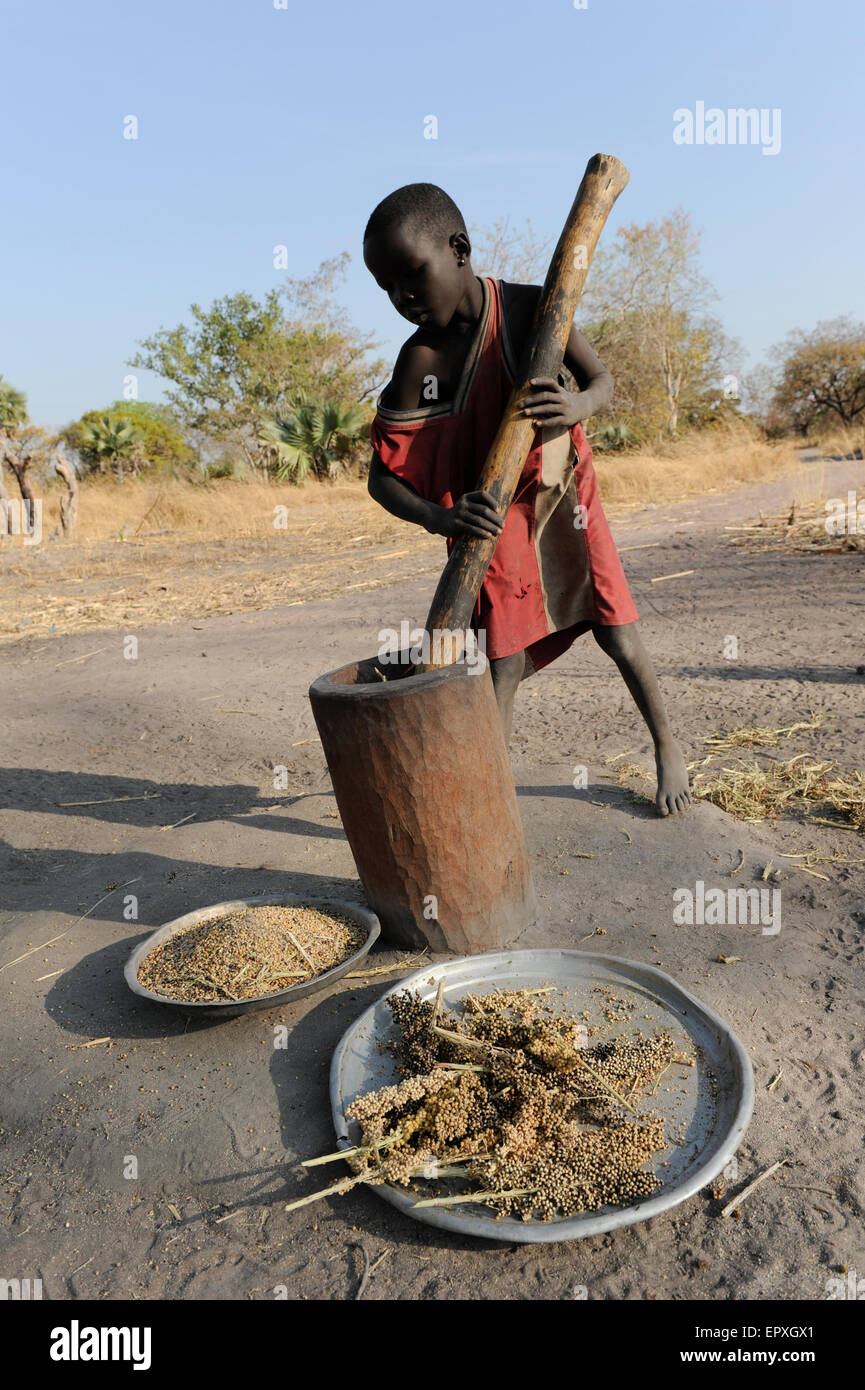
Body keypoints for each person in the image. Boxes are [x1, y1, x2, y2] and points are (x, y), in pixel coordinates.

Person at [363, 182, 690, 817]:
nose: (403, 299)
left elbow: (601, 383)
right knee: (503, 657)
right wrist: (440, 516)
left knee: (615, 627)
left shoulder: (532, 310)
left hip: (564, 488)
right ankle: (490, 792)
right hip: (488, 515)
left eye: (411, 276)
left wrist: (577, 406)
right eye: (388, 290)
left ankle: (667, 744)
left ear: (458, 248)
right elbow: (382, 479)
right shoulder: (419, 360)